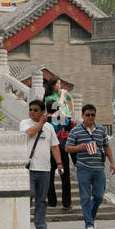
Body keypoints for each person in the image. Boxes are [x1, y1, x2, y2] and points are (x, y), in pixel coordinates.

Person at [66, 103, 115, 229]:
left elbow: (106, 146)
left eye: (92, 115)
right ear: (83, 116)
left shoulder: (100, 130)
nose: (90, 117)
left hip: (99, 167)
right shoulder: (75, 130)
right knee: (85, 196)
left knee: (99, 195)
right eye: (87, 115)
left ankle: (91, 216)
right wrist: (79, 147)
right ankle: (89, 223)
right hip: (83, 167)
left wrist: (112, 163)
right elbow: (67, 148)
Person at [20, 99, 64, 229]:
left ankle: (40, 225)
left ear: (42, 112)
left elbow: (55, 147)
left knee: (41, 199)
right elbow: (29, 134)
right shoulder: (24, 123)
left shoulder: (49, 127)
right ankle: (23, 224)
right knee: (29, 195)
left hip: (44, 168)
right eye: (30, 109)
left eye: (35, 110)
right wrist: (40, 122)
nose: (32, 112)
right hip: (29, 168)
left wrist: (59, 163)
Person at [47, 79, 74, 210]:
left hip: (56, 148)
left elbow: (69, 102)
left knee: (57, 175)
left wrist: (70, 112)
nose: (59, 86)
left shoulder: (46, 121)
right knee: (60, 174)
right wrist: (63, 109)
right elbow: (69, 122)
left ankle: (57, 201)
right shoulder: (50, 98)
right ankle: (64, 201)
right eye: (57, 83)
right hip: (58, 147)